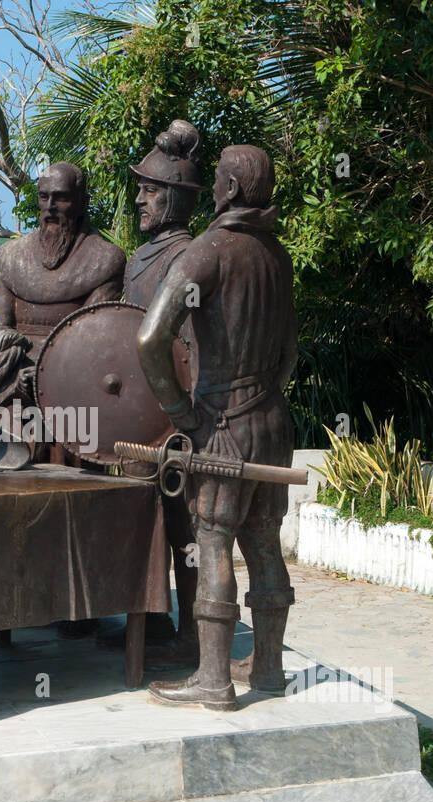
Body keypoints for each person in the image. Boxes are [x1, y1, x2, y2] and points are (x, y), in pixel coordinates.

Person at [136, 146, 298, 710]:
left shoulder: (207, 251)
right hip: (273, 422)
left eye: (219, 183)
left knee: (213, 542)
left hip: (222, 424)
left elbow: (150, 338)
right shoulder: (277, 256)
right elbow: (289, 353)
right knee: (265, 542)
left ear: (228, 189)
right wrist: (262, 396)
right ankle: (270, 671)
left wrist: (181, 412)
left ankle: (213, 680)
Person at [118, 120, 206, 657]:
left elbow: (192, 345)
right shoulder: (139, 259)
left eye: (150, 191)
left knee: (184, 526)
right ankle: (149, 623)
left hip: (176, 418)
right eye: (141, 189)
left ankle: (193, 631)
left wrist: (184, 413)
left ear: (173, 196)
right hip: (138, 415)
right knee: (144, 522)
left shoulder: (187, 256)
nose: (139, 199)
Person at [0, 162, 125, 462]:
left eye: (60, 197)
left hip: (74, 400)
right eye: (43, 197)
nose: (49, 207)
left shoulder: (105, 260)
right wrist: (17, 373)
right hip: (15, 394)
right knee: (8, 480)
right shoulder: (9, 258)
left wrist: (44, 375)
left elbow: (92, 341)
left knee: (71, 483)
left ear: (81, 202)